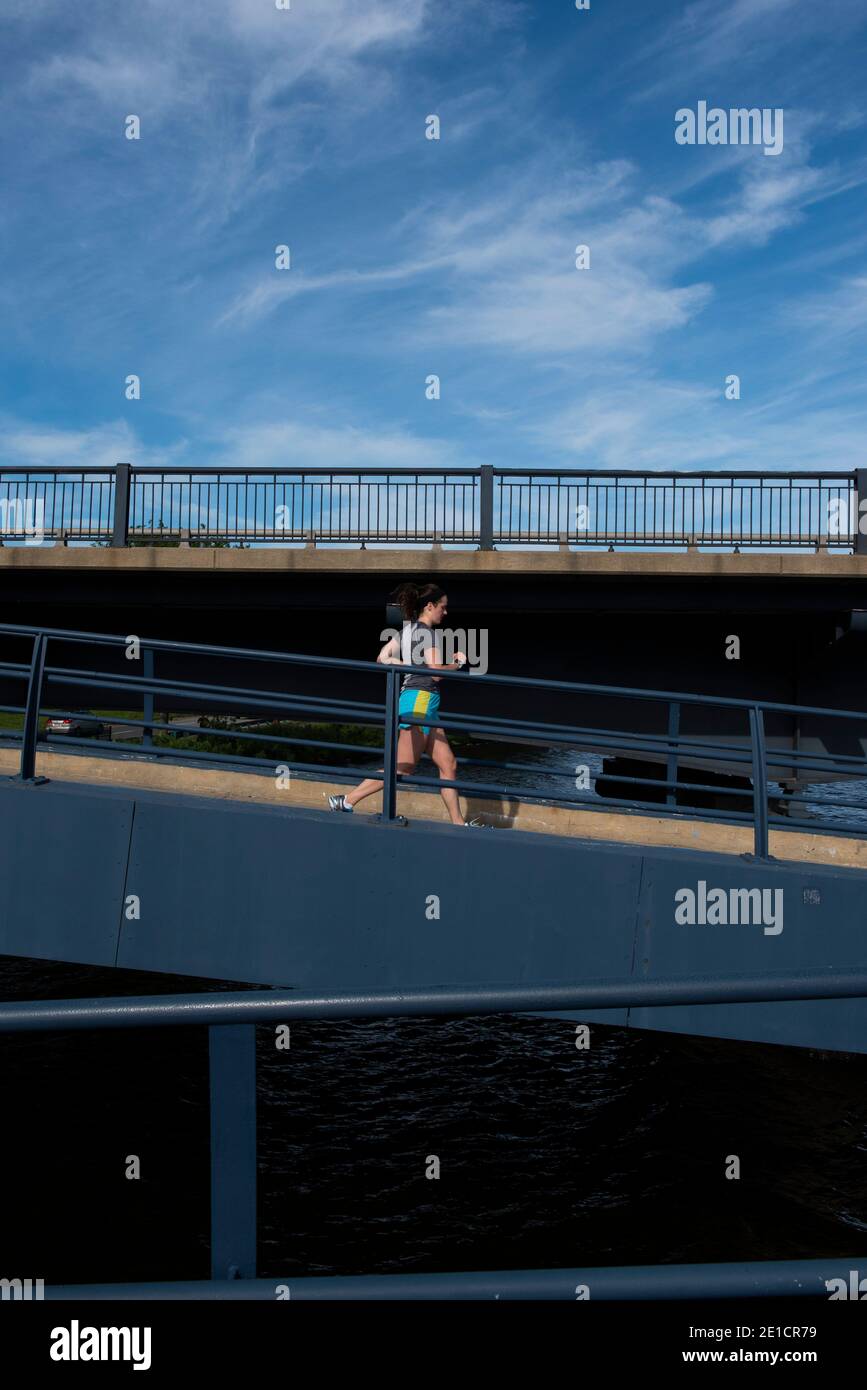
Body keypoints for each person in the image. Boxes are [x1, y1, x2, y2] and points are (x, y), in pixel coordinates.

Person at [329, 582, 468, 825]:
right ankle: (346, 801)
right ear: (429, 606)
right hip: (420, 701)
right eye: (443, 608)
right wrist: (458, 662)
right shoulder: (426, 632)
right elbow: (435, 673)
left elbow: (381, 658)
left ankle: (459, 824)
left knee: (449, 765)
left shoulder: (407, 632)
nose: (445, 613)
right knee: (402, 767)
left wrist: (406, 665)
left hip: (425, 703)